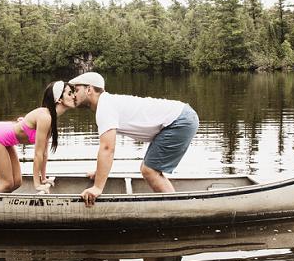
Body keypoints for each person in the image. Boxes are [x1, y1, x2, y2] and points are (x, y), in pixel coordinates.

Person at [68, 71, 199, 204]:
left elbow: (107, 148)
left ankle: (175, 209)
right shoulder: (107, 103)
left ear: (89, 89)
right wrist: (99, 173)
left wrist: (97, 187)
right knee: (149, 169)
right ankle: (174, 205)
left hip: (179, 120)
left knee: (149, 170)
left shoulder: (105, 107)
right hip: (181, 117)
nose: (73, 95)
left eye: (76, 90)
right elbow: (107, 148)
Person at [0, 80, 76, 192]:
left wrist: (43, 178)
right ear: (59, 99)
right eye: (69, 93)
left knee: (16, 183)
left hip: (5, 138)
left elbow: (44, 153)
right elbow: (38, 154)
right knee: (6, 184)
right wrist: (36, 184)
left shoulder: (51, 118)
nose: (74, 96)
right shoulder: (45, 117)